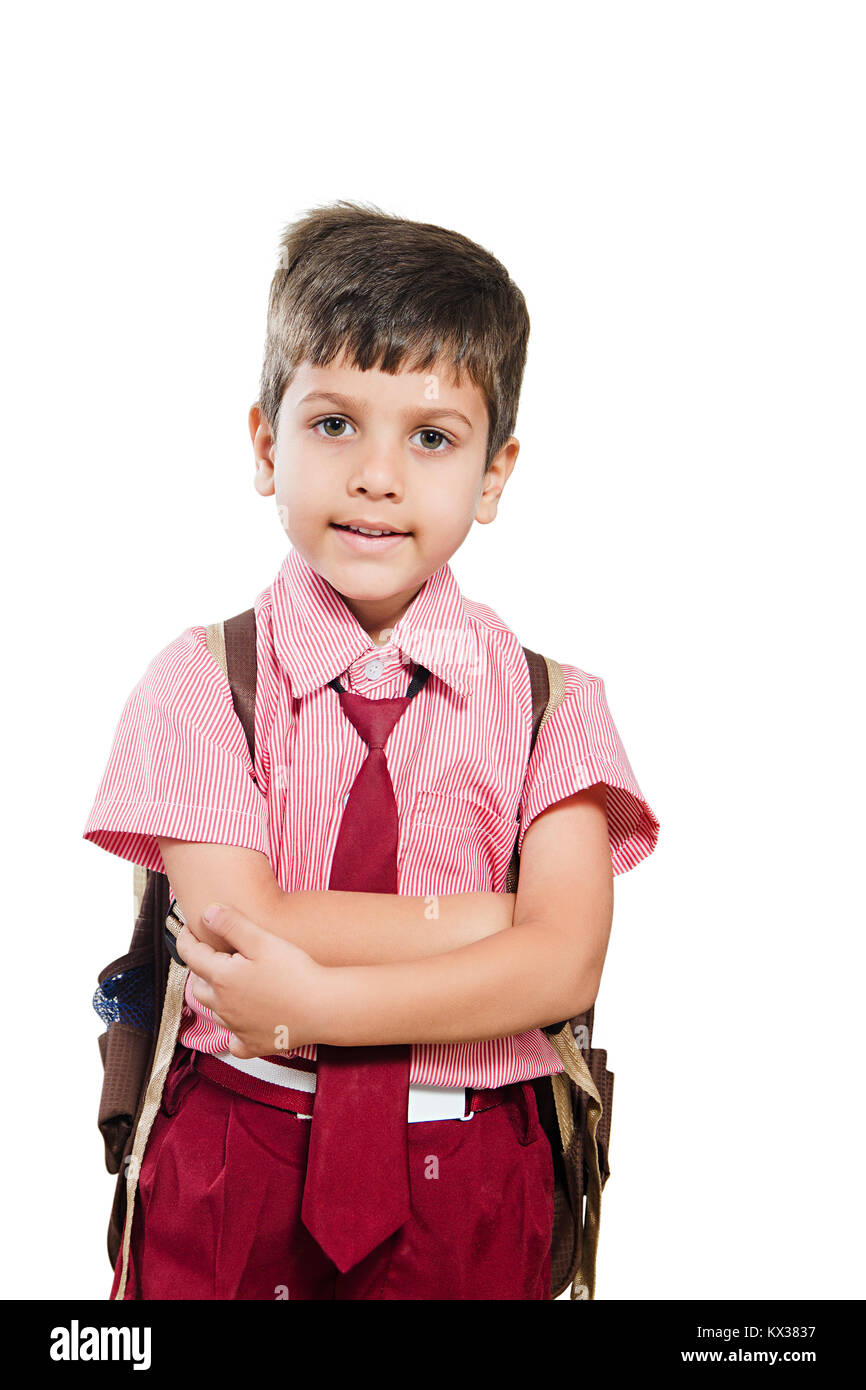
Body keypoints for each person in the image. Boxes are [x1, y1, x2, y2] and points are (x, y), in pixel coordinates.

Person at [83, 200, 660, 1300]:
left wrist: (308, 1003)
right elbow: (238, 925)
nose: (377, 476)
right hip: (237, 1160)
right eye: (334, 423)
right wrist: (494, 921)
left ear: (493, 474)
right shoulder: (199, 682)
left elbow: (562, 966)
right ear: (266, 442)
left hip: (476, 1172)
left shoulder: (554, 708)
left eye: (431, 437)